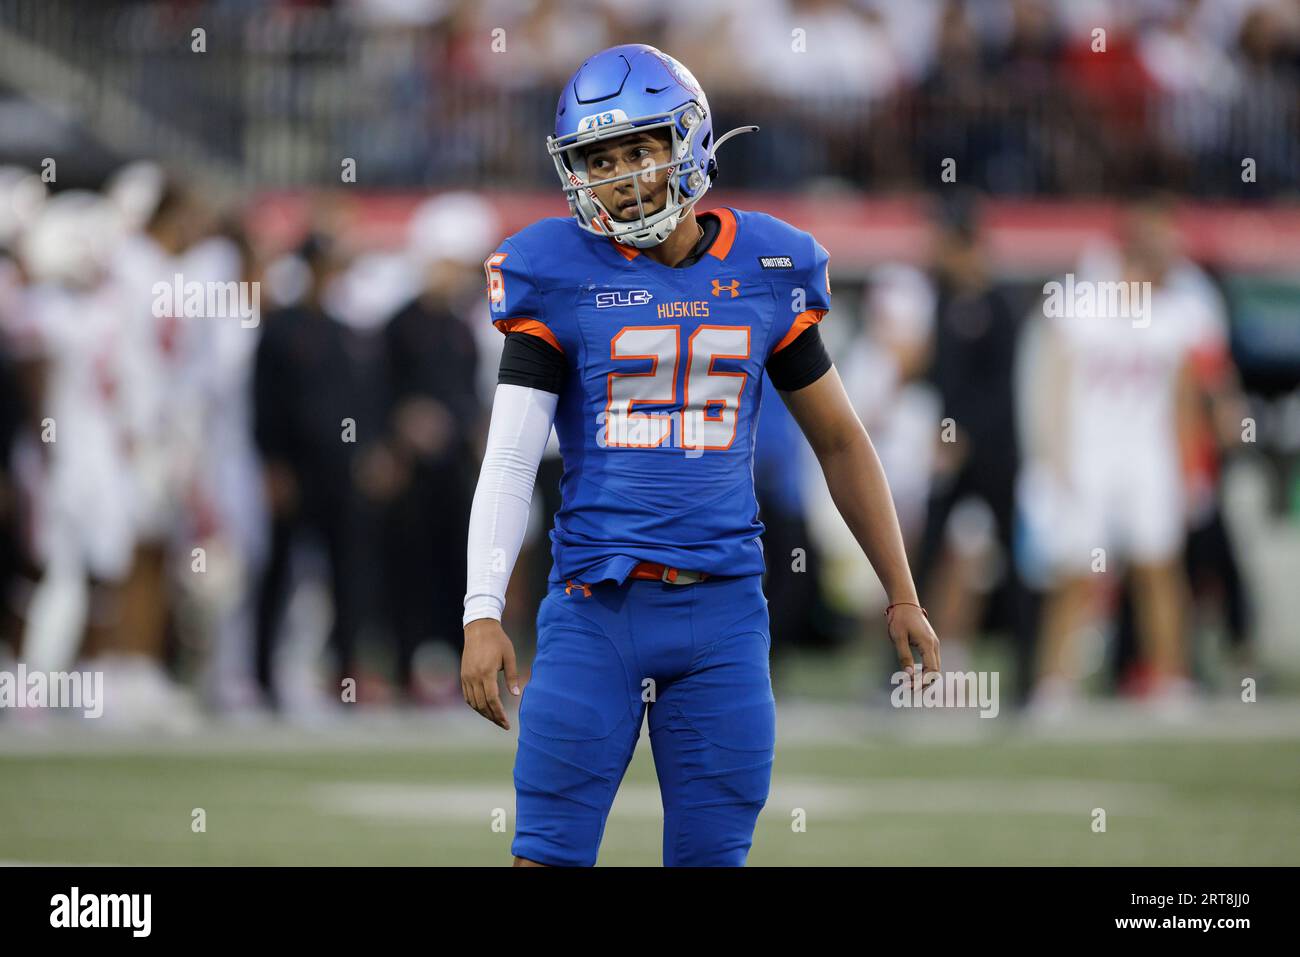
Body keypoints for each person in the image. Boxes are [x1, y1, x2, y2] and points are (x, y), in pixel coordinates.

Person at [459, 44, 938, 867]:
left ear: (689, 142)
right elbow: (509, 459)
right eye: (599, 159)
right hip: (594, 610)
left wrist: (901, 590)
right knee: (546, 854)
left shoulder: (766, 265)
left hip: (723, 613)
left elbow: (840, 438)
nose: (622, 174)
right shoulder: (557, 270)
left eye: (640, 147)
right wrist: (481, 607)